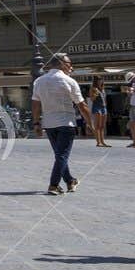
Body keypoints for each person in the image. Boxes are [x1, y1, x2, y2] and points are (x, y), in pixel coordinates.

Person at [32, 53, 90, 195]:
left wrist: (36, 123)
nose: (71, 66)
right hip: (66, 123)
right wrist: (90, 123)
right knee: (62, 155)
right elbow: (82, 105)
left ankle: (70, 181)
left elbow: (35, 103)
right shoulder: (69, 81)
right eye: (69, 63)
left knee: (60, 155)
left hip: (49, 124)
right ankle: (53, 185)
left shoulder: (39, 81)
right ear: (62, 64)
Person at [88, 77, 111, 147]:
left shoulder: (103, 88)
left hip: (104, 107)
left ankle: (102, 141)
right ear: (96, 81)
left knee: (102, 126)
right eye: (98, 80)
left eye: (101, 79)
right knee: (97, 126)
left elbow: (104, 99)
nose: (100, 81)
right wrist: (95, 94)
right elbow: (91, 99)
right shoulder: (93, 88)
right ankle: (98, 142)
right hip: (97, 107)